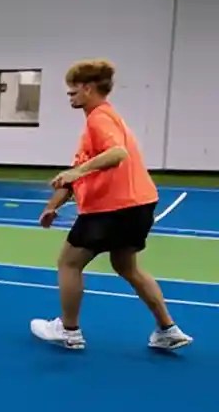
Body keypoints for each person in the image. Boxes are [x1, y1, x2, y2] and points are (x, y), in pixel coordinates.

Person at [30, 59, 191, 351]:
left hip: (110, 209)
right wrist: (54, 205)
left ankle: (69, 331)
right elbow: (82, 169)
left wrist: (77, 172)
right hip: (139, 205)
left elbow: (116, 153)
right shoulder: (108, 120)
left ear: (88, 89)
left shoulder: (99, 119)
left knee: (68, 263)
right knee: (127, 266)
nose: (70, 97)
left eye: (72, 91)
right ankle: (168, 329)